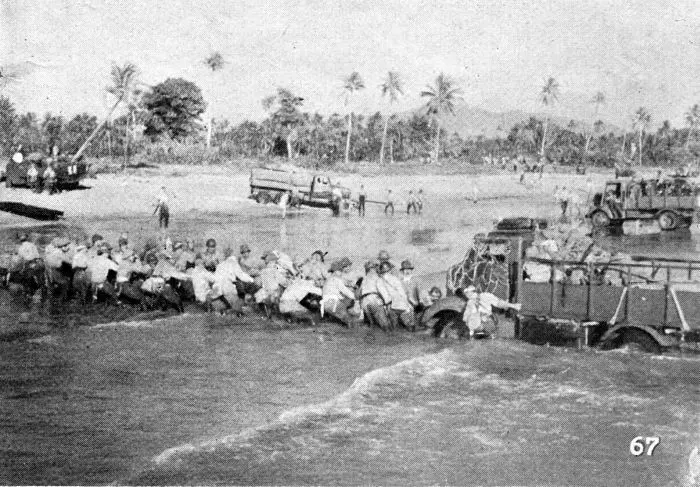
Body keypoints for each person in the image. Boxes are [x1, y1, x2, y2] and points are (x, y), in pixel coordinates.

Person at [378, 260, 414, 331]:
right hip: (402, 304)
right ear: (390, 270)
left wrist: (387, 306)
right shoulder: (395, 279)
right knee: (410, 327)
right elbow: (402, 293)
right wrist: (408, 305)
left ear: (381, 271)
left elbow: (385, 296)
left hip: (391, 306)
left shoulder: (379, 281)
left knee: (394, 328)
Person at [321, 257, 358, 327]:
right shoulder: (337, 279)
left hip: (325, 305)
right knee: (349, 320)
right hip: (333, 303)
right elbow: (345, 291)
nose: (341, 272)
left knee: (342, 317)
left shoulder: (329, 278)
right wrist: (356, 297)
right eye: (341, 270)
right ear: (338, 270)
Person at [359, 260, 392, 331]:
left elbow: (359, 293)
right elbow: (382, 291)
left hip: (365, 303)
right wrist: (388, 302)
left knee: (372, 325)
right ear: (373, 268)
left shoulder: (364, 279)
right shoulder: (377, 277)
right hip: (374, 300)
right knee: (385, 326)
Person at [255, 251, 289, 318]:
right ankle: (280, 313)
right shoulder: (274, 269)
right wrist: (287, 281)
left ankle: (268, 313)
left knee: (262, 297)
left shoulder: (263, 270)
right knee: (282, 292)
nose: (265, 261)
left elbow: (259, 283)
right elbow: (282, 280)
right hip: (274, 292)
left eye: (265, 259)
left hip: (265, 292)